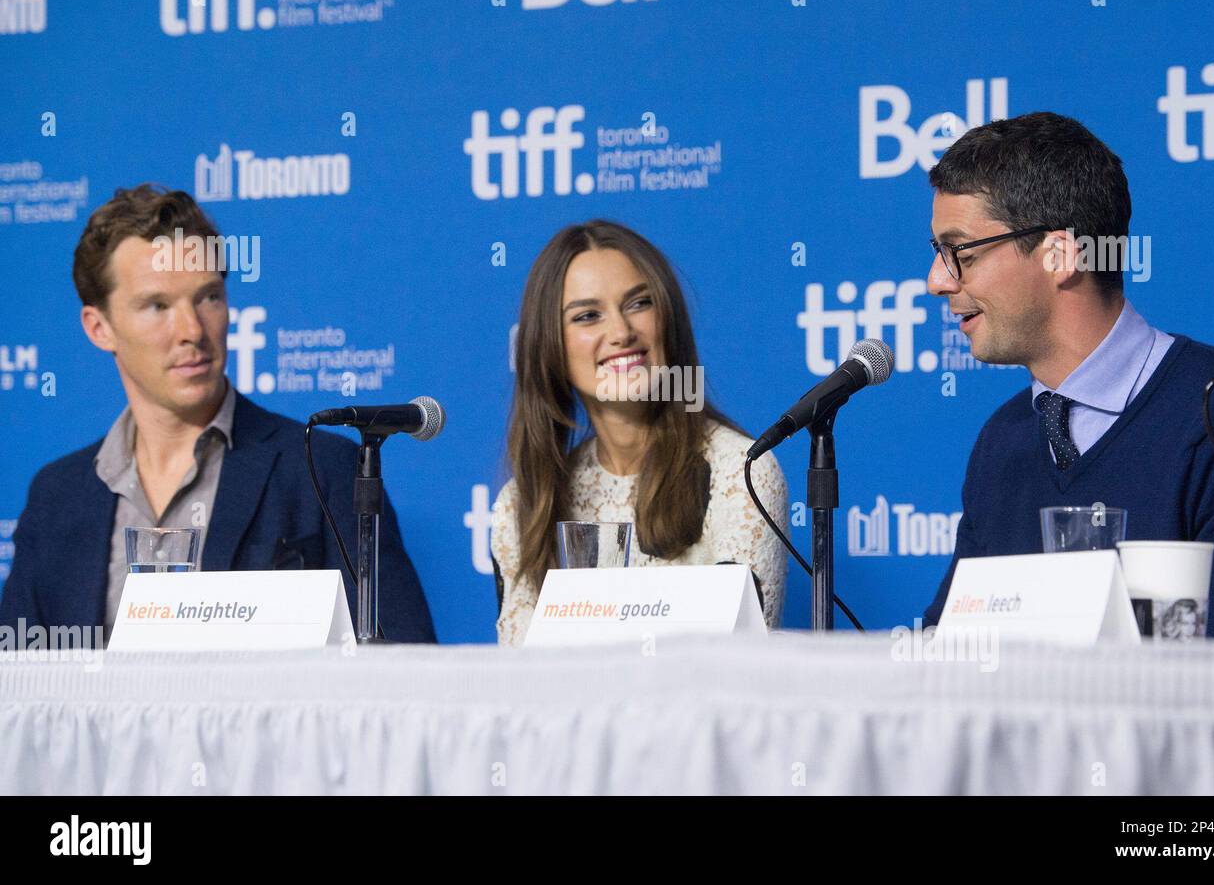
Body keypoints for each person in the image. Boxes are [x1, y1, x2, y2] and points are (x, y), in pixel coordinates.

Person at [0, 184, 436, 643]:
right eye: (157, 306)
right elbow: (18, 692)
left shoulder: (321, 471)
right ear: (99, 327)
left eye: (208, 297)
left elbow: (407, 672)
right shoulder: (57, 498)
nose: (192, 330)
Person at [920, 112, 1214, 639]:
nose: (937, 281)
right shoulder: (1002, 443)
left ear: (1061, 254)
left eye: (961, 251)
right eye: (938, 254)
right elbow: (945, 659)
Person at [491, 219, 788, 646]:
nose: (621, 332)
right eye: (588, 316)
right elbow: (519, 686)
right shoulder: (517, 507)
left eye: (638, 304)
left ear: (668, 320)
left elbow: (735, 672)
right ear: (548, 346)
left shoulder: (743, 475)